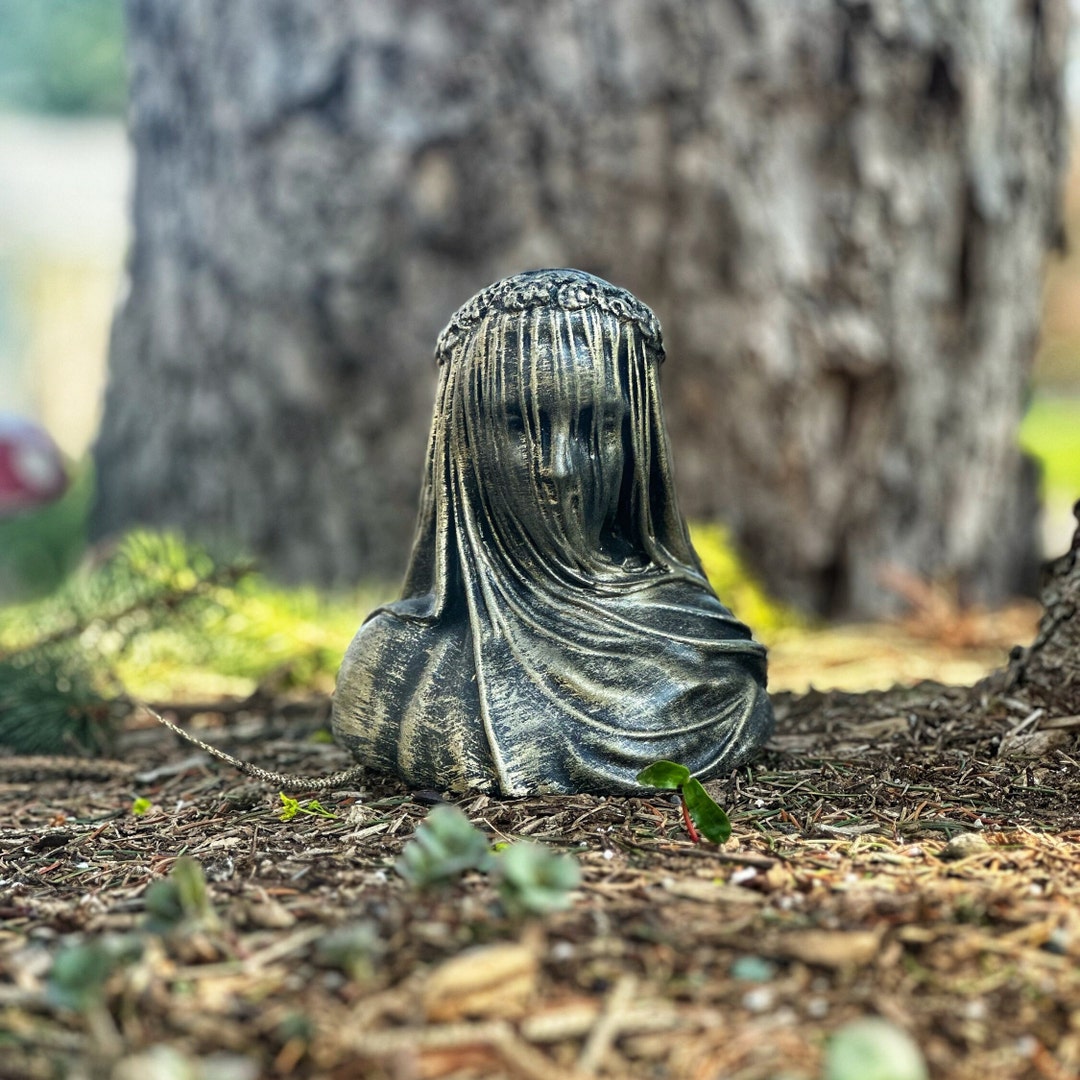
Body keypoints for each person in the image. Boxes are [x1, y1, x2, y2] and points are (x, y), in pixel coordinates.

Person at [332, 269, 774, 795]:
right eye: (521, 425)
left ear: (639, 446)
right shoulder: (393, 664)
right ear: (462, 444)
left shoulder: (706, 655)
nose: (560, 466)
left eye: (597, 427)